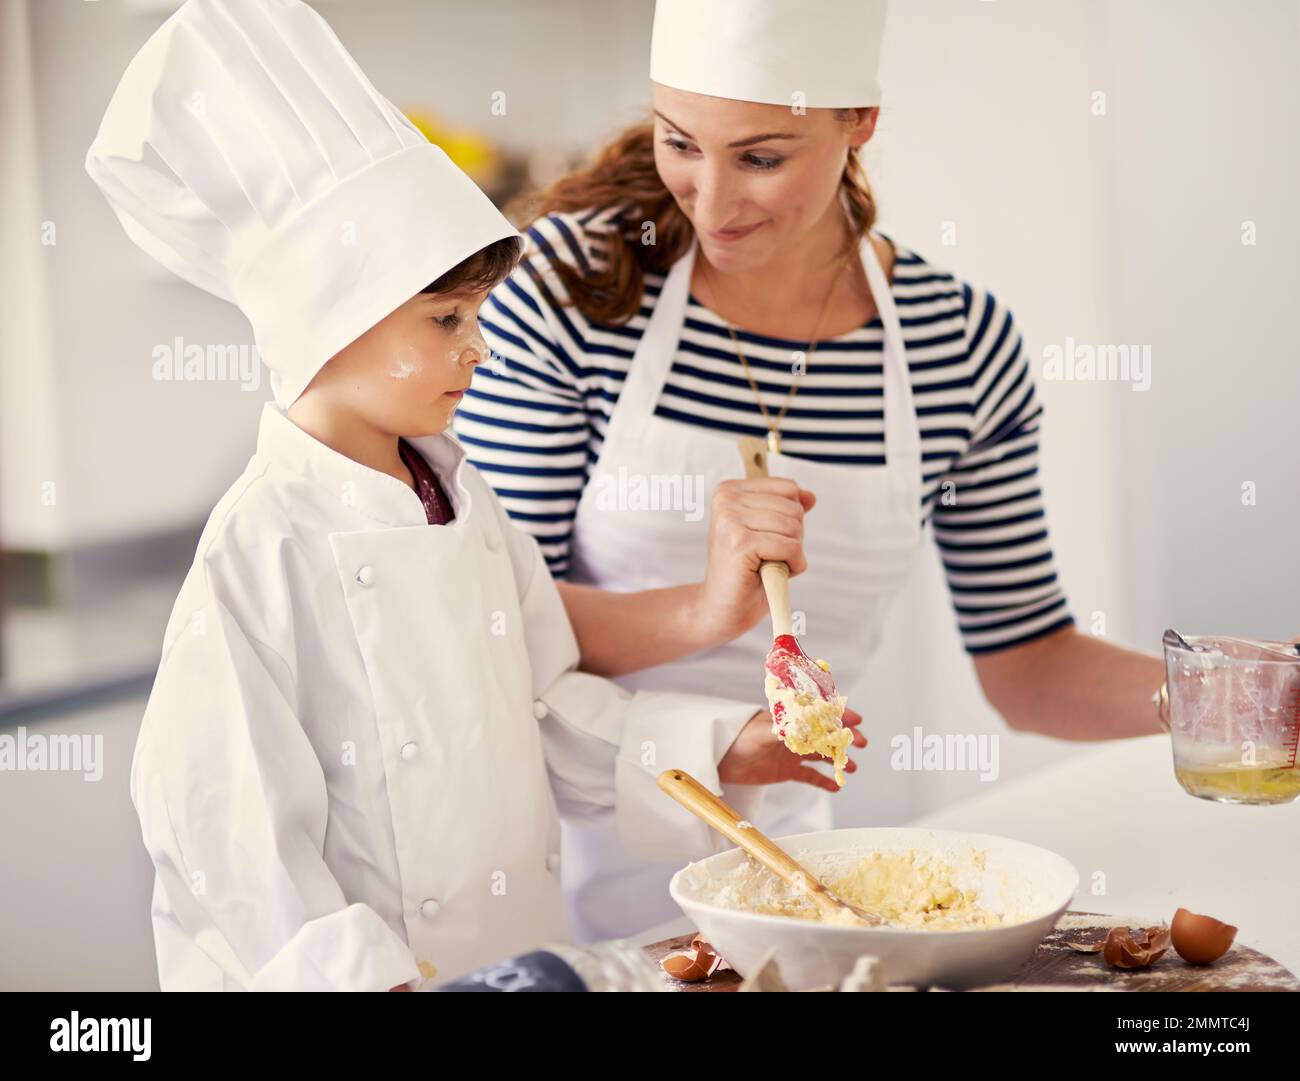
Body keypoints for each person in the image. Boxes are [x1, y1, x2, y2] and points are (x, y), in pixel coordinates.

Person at [86, 0, 849, 991]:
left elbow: (545, 705)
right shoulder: (261, 546)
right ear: (329, 321)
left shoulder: (460, 500)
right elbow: (226, 839)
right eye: (445, 318)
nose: (477, 347)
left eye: (476, 314)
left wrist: (729, 747)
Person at [454, 0, 1173, 941]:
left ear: (857, 123)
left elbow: (1029, 663)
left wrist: (1227, 697)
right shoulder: (573, 288)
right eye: (681, 143)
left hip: (797, 879)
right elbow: (490, 615)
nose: (709, 201)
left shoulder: (958, 345)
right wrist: (705, 611)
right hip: (550, 853)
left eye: (760, 158)